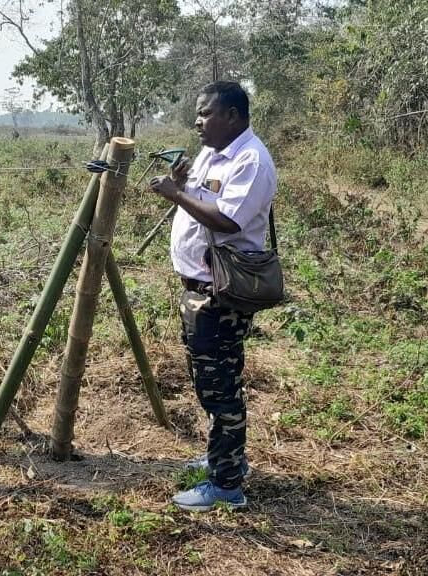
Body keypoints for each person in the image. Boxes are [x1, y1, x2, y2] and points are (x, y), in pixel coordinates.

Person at [149, 81, 277, 511]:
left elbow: (228, 222)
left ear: (234, 117)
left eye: (206, 114)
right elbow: (206, 199)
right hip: (198, 288)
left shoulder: (251, 160)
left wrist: (175, 193)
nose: (198, 121)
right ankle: (224, 458)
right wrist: (187, 184)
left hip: (221, 295)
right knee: (210, 383)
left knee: (220, 389)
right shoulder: (211, 154)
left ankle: (226, 485)